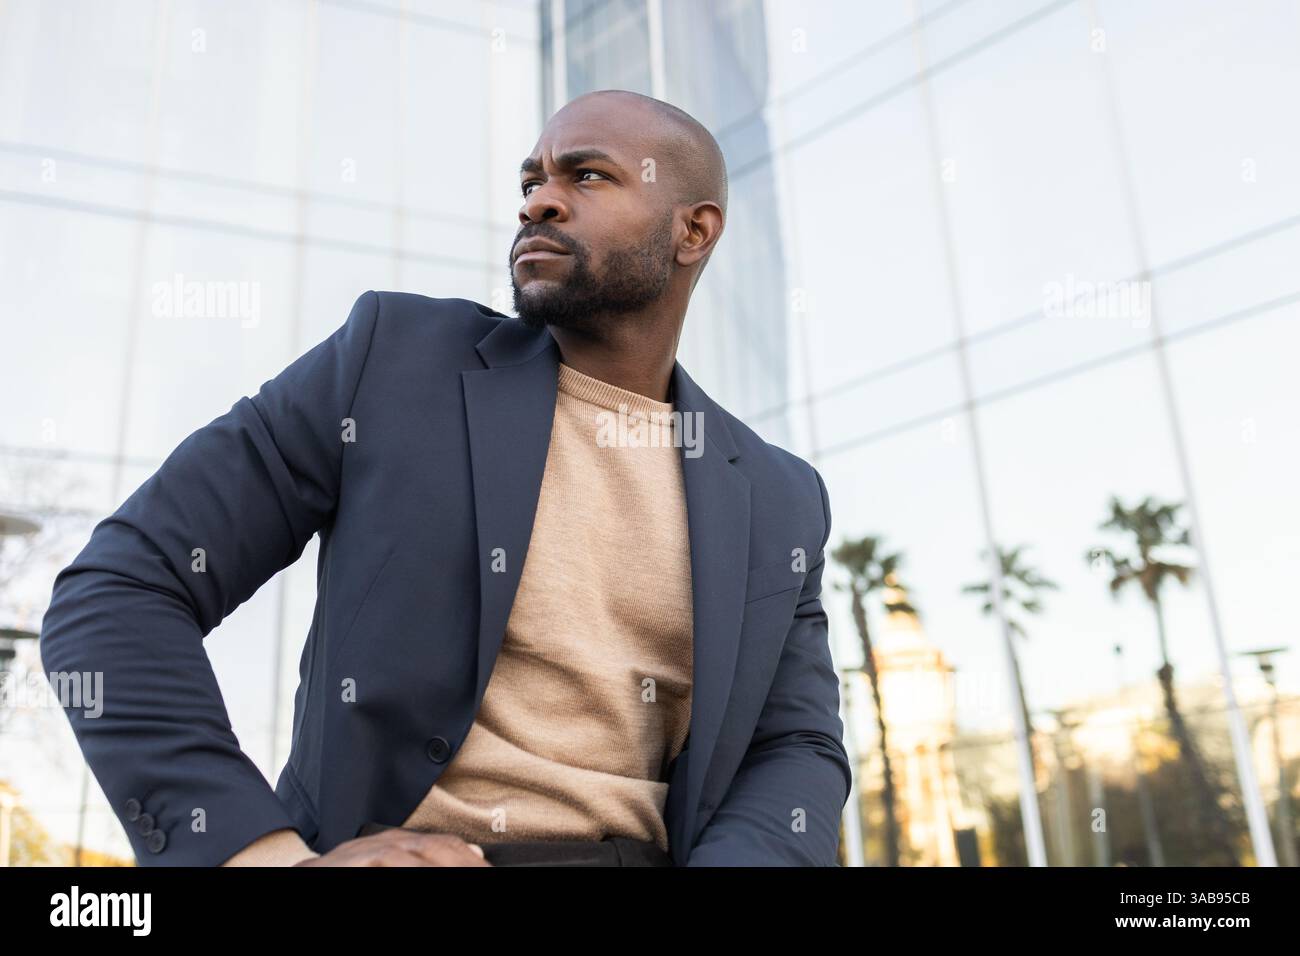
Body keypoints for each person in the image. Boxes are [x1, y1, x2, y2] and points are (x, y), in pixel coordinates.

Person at [39, 90, 851, 867]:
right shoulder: (391, 360)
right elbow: (122, 587)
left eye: (587, 175)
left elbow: (795, 745)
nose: (539, 201)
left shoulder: (779, 499)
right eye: (531, 181)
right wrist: (261, 856)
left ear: (694, 231)